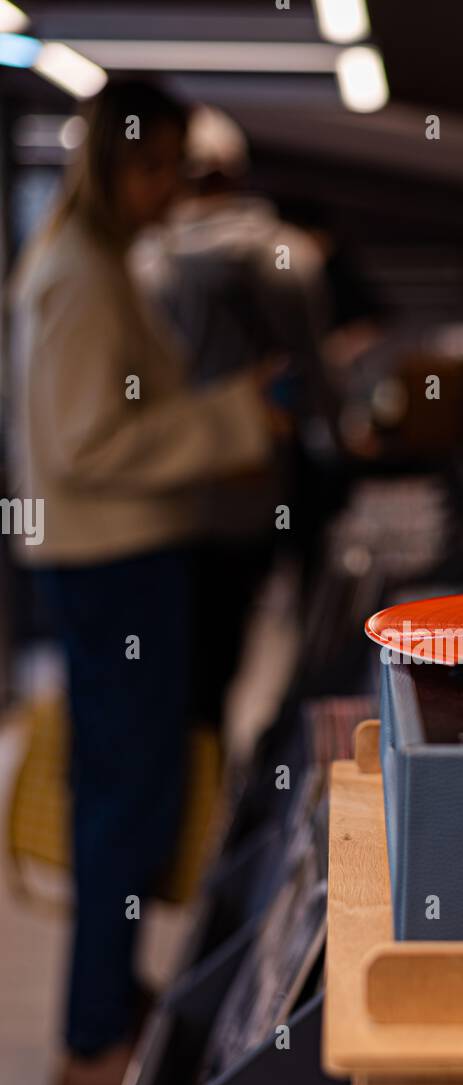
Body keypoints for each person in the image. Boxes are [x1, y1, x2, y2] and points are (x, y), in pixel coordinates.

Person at [9, 79, 285, 1085]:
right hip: (113, 567)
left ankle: (110, 1012)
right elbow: (88, 443)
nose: (175, 186)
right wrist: (229, 420)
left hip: (119, 564)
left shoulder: (97, 263)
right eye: (162, 164)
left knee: (132, 794)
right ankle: (92, 1041)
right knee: (125, 801)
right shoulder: (83, 275)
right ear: (121, 164)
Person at [134, 105, 340, 723]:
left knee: (162, 667)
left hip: (158, 489)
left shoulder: (139, 263)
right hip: (251, 484)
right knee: (226, 656)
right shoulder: (285, 256)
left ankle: (179, 783)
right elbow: (316, 379)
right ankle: (215, 778)